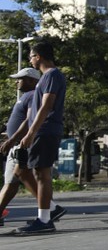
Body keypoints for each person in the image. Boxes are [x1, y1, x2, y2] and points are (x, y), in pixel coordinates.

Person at [14, 43, 68, 235]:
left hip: (45, 131)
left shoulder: (52, 75)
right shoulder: (47, 77)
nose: (30, 60)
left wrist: (31, 133)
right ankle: (47, 213)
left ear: (39, 56)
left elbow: (46, 106)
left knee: (42, 175)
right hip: (42, 131)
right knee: (36, 174)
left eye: (31, 56)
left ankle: (45, 220)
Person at [0, 68, 42, 225]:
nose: (17, 81)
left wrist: (12, 140)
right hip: (16, 145)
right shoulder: (25, 96)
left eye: (20, 78)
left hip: (22, 145)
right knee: (11, 182)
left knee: (17, 179)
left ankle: (50, 208)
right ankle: (50, 209)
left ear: (31, 81)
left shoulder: (32, 95)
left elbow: (29, 120)